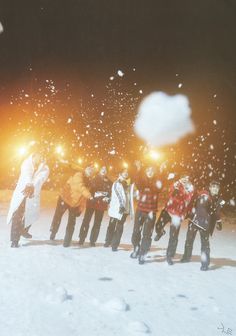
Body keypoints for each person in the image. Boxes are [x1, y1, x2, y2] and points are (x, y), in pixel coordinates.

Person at [7, 152, 49, 247]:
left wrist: (32, 186)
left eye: (43, 156)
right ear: (34, 155)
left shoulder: (45, 168)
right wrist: (29, 184)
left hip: (32, 196)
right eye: (40, 155)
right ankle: (14, 240)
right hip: (22, 194)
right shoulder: (26, 163)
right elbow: (26, 175)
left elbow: (41, 178)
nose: (41, 157)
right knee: (17, 216)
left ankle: (23, 230)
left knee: (31, 215)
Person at [180, 181, 224, 271]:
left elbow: (217, 212)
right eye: (213, 187)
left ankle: (205, 264)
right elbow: (202, 207)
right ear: (210, 187)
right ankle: (186, 257)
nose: (215, 189)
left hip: (205, 225)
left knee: (205, 245)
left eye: (217, 188)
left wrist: (219, 221)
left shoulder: (218, 199)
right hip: (195, 221)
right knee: (189, 240)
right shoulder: (204, 195)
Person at [154, 174, 194, 265]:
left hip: (177, 214)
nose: (184, 179)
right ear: (180, 178)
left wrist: (186, 193)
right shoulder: (175, 184)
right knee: (158, 226)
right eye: (183, 177)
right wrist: (174, 189)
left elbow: (188, 201)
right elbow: (169, 193)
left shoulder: (190, 188)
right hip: (168, 210)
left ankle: (170, 255)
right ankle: (160, 232)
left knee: (173, 236)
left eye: (187, 178)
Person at [49, 165, 94, 247]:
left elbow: (83, 199)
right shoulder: (79, 175)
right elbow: (80, 187)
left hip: (74, 204)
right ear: (85, 169)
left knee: (72, 222)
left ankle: (67, 241)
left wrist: (80, 209)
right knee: (58, 216)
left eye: (92, 170)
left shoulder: (89, 182)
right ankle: (53, 232)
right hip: (65, 197)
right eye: (89, 168)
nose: (91, 170)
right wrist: (89, 195)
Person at [130, 165, 162, 264]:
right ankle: (136, 248)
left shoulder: (157, 183)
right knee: (136, 232)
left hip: (151, 212)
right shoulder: (142, 182)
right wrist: (138, 170)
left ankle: (143, 253)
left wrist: (161, 171)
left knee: (147, 235)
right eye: (148, 169)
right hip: (140, 211)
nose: (150, 171)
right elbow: (137, 181)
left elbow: (159, 185)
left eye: (152, 170)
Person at [78, 166, 112, 246]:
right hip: (92, 203)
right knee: (86, 220)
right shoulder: (94, 178)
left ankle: (93, 240)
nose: (104, 171)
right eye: (102, 169)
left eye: (105, 169)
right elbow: (90, 189)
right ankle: (82, 238)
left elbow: (110, 193)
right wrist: (100, 193)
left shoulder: (109, 182)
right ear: (99, 170)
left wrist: (107, 196)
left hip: (101, 205)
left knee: (97, 223)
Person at [104, 168, 132, 251]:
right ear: (121, 173)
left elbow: (130, 196)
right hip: (116, 208)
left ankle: (115, 245)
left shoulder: (129, 184)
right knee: (112, 225)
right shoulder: (117, 183)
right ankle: (108, 241)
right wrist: (121, 205)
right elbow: (118, 195)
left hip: (124, 209)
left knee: (119, 227)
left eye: (127, 173)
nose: (126, 174)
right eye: (124, 172)